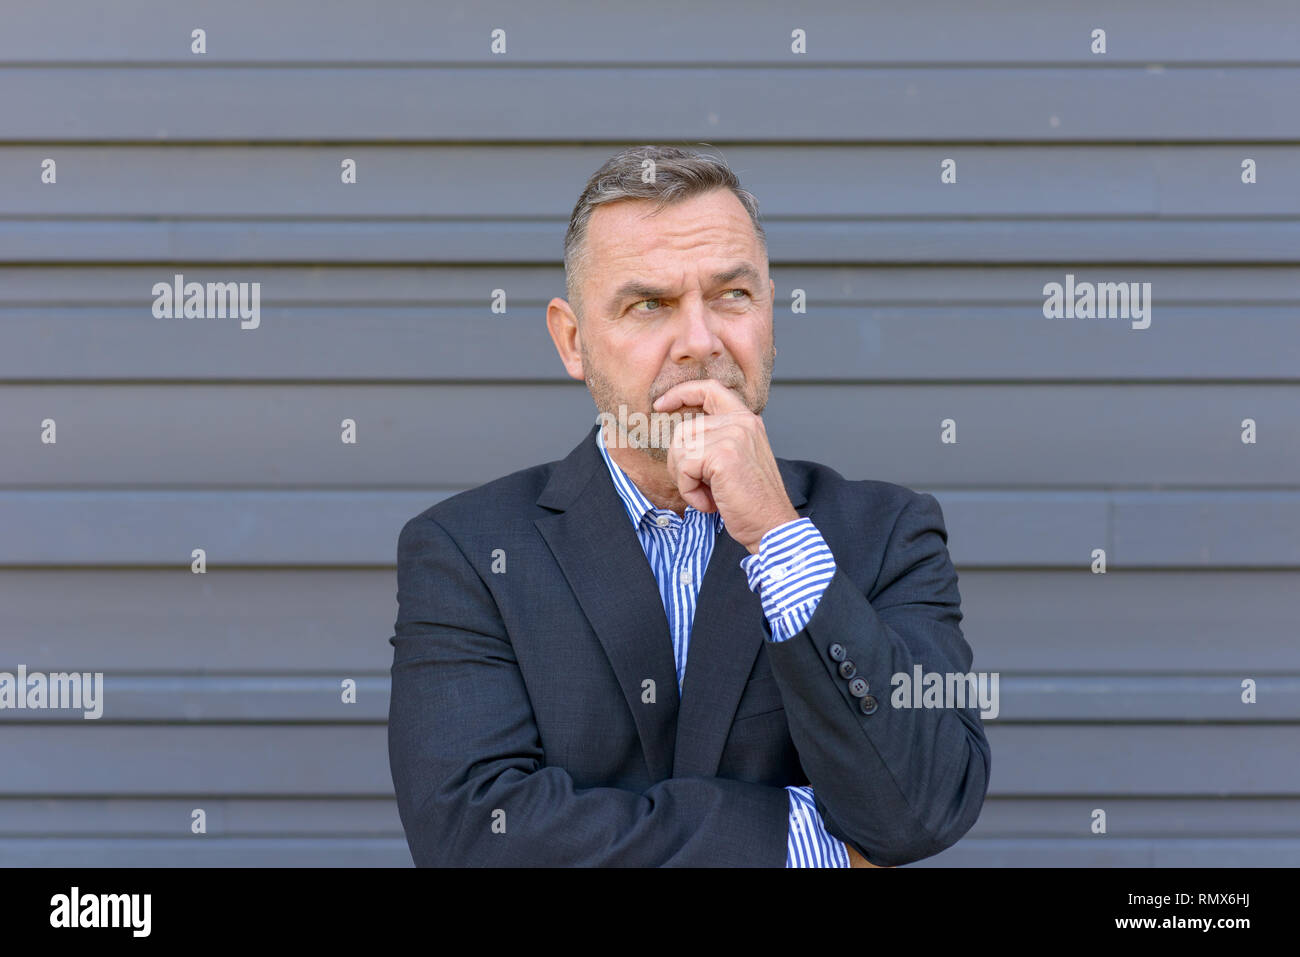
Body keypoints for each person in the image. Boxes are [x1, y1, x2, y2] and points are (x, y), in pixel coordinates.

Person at [387, 145, 990, 866]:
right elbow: (471, 834)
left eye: (732, 295)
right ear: (573, 341)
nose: (700, 341)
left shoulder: (886, 536)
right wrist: (797, 841)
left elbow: (925, 801)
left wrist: (776, 535)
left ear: (770, 310)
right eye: (651, 305)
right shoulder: (467, 554)